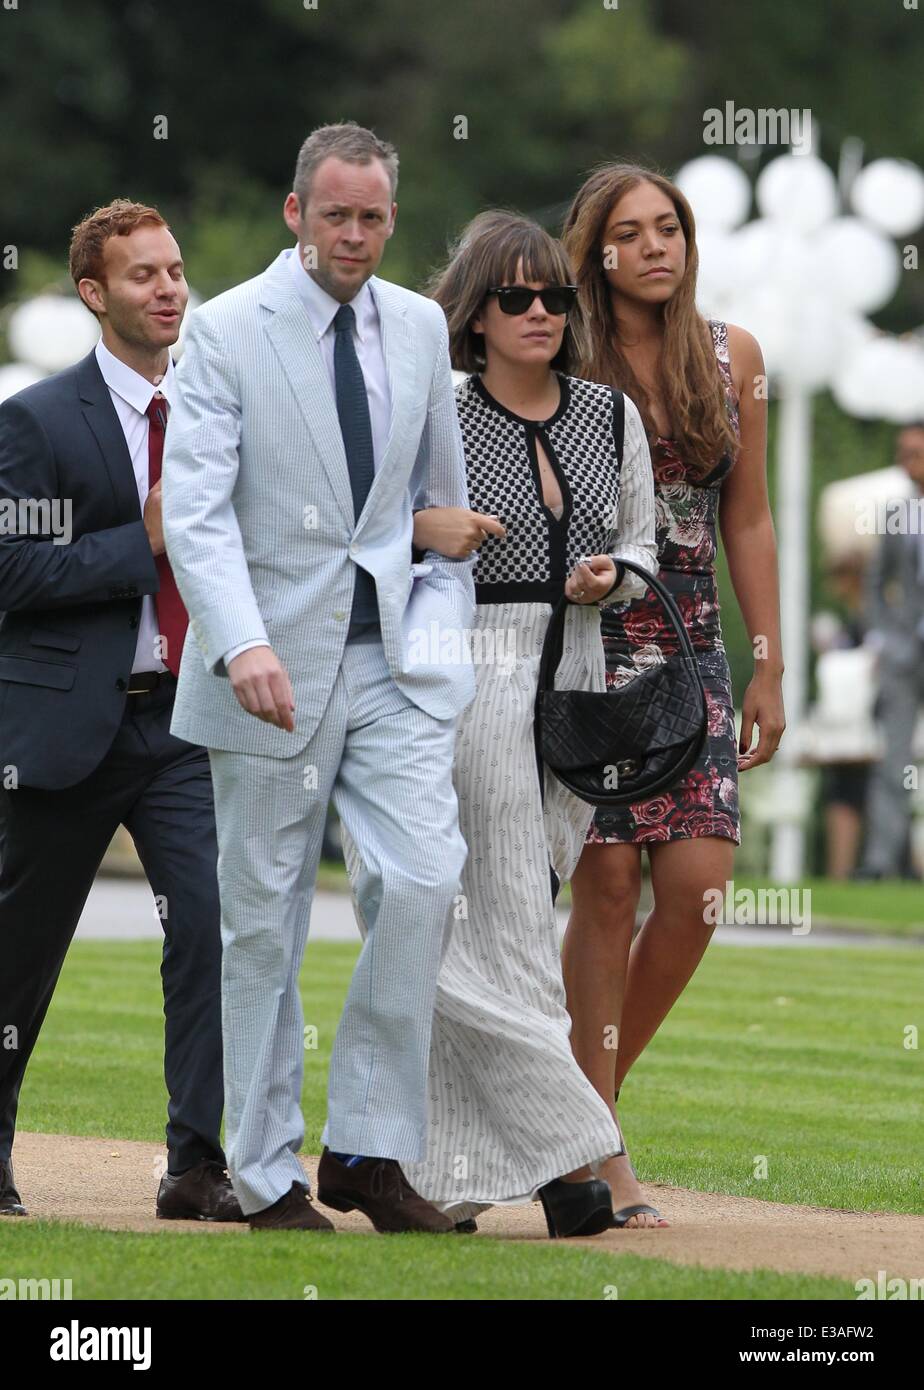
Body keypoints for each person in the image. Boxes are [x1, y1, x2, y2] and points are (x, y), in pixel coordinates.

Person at [161, 123, 476, 1234]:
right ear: (297, 212)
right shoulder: (226, 328)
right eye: (336, 214)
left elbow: (439, 514)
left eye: (374, 217)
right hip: (265, 670)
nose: (355, 234)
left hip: (392, 661)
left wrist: (440, 658)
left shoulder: (427, 326)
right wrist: (239, 641)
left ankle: (369, 1152)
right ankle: (263, 1173)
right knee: (263, 927)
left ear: (393, 217)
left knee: (428, 878)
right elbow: (194, 507)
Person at [346, 210, 658, 1235]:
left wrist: (612, 578)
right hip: (461, 662)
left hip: (571, 674)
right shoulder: (436, 404)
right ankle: (578, 1157)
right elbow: (359, 523)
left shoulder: (610, 414)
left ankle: (446, 1169)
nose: (540, 313)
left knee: (512, 911)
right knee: (489, 914)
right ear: (474, 314)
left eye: (556, 297)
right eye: (516, 297)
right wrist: (424, 530)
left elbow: (643, 546)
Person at [0, 201, 241, 1223]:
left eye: (176, 269)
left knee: (213, 926)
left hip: (189, 721)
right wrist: (142, 540)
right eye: (143, 274)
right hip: (63, 729)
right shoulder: (38, 419)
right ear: (95, 293)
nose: (170, 287)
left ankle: (195, 1163)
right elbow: (11, 570)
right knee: (18, 954)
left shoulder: (221, 410)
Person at [560, 163, 785, 1227]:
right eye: (632, 233)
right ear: (595, 251)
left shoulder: (733, 355)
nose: (657, 247)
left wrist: (773, 657)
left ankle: (579, 1108)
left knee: (697, 887)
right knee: (604, 892)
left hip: (693, 643)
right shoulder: (562, 344)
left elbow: (749, 517)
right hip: (588, 642)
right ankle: (597, 1147)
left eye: (670, 228)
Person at [859, 422, 924, 879]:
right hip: (904, 653)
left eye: (915, 451)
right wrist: (881, 634)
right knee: (893, 762)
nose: (907, 460)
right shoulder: (898, 512)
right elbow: (878, 582)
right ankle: (882, 862)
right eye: (903, 451)